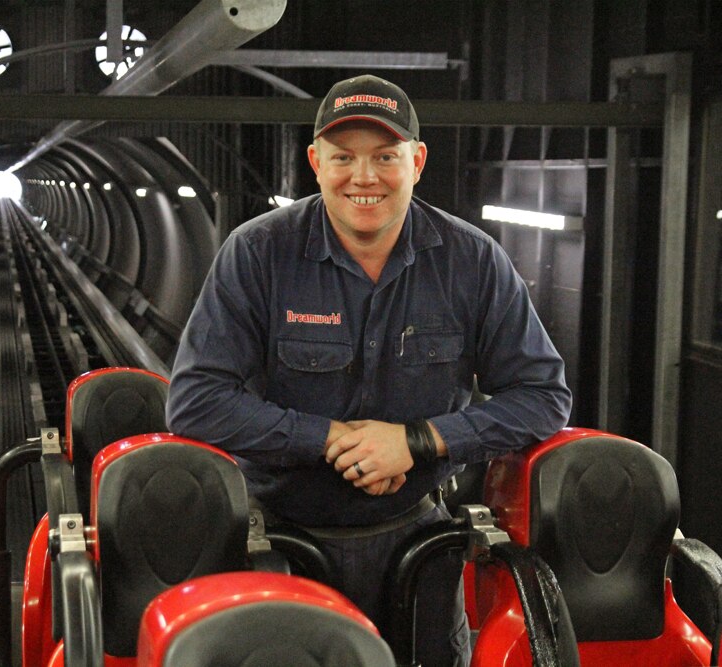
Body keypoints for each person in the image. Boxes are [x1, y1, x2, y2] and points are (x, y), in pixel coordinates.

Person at [166, 74, 572, 666]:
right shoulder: (258, 253)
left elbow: (542, 395)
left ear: (417, 160)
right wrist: (332, 440)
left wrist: (417, 441)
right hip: (280, 541)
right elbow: (195, 399)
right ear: (315, 162)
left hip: (419, 543)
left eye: (385, 157)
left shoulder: (472, 261)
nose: (364, 178)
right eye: (343, 158)